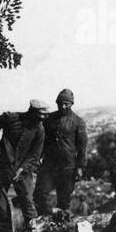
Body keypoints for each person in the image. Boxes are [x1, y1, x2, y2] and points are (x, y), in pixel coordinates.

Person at [0, 100, 48, 232]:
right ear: (31, 112)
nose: (42, 119)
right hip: (2, 164)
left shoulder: (39, 130)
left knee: (27, 199)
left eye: (44, 116)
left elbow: (35, 155)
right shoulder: (11, 118)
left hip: (23, 168)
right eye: (39, 116)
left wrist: (22, 169)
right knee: (0, 199)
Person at [34, 88, 88, 219]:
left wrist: (80, 167)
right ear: (57, 103)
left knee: (64, 201)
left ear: (71, 104)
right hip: (49, 165)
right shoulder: (48, 119)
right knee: (40, 194)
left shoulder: (78, 122)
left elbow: (82, 147)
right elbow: (41, 141)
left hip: (68, 167)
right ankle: (44, 221)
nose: (63, 106)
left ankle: (62, 227)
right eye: (60, 103)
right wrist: (37, 159)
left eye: (66, 104)